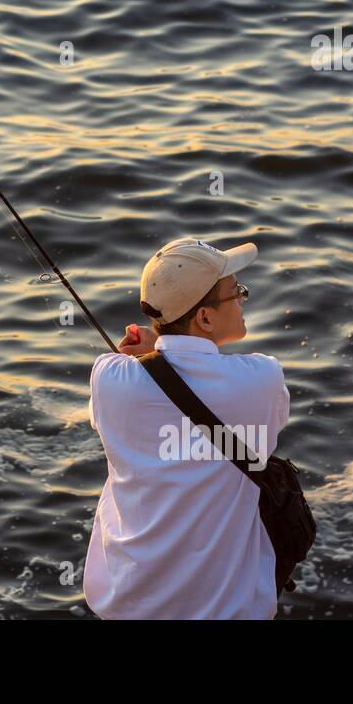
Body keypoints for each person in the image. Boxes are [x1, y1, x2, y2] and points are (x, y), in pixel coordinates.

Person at [83, 237, 290, 619]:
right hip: (228, 611)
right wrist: (159, 353)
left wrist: (153, 354)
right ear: (205, 318)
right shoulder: (263, 379)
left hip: (125, 607)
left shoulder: (108, 378)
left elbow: (155, 388)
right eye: (235, 292)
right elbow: (265, 418)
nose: (243, 298)